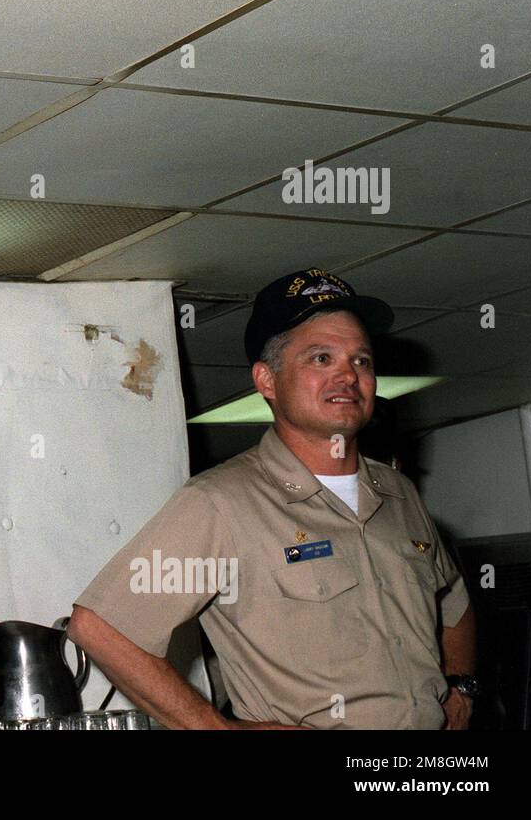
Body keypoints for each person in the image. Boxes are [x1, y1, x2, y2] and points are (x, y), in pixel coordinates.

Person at [69, 268, 477, 729]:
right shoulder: (223, 501)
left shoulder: (398, 493)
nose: (348, 375)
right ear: (266, 380)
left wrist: (461, 688)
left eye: (361, 360)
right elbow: (101, 627)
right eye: (321, 358)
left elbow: (455, 603)